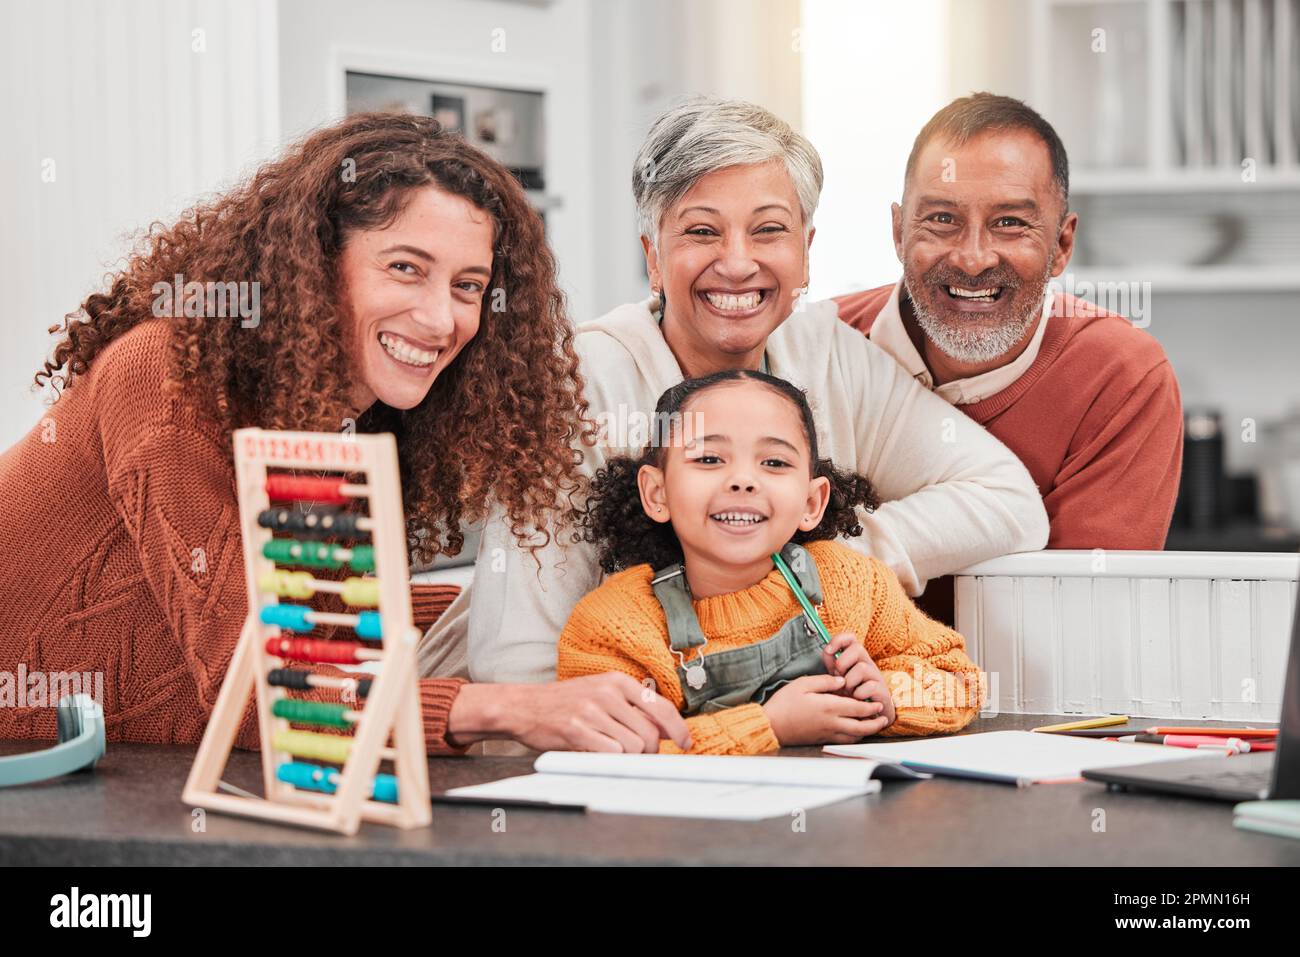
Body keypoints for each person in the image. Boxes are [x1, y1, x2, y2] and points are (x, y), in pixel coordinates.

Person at [0, 112, 691, 756]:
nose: (440, 317)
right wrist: (503, 705)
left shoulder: (353, 419)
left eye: (468, 285)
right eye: (405, 268)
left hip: (121, 763)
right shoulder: (165, 378)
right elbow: (266, 696)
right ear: (314, 259)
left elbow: (321, 619)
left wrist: (523, 603)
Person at [454, 95, 1048, 686]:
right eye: (702, 231)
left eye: (768, 230)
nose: (737, 263)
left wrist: (806, 563)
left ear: (807, 253)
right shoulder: (579, 384)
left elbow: (1008, 503)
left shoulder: (827, 351)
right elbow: (518, 662)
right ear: (653, 258)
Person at [557, 371, 985, 754]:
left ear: (811, 502)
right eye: (709, 459)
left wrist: (889, 695)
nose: (743, 480)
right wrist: (770, 726)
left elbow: (960, 683)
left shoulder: (853, 582)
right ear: (657, 493)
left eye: (774, 463)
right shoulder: (611, 624)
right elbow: (607, 750)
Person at [835, 93, 1183, 549]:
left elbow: (1080, 605)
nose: (974, 259)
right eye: (942, 218)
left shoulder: (1121, 376)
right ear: (899, 233)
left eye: (1010, 222)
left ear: (1061, 245)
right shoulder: (825, 344)